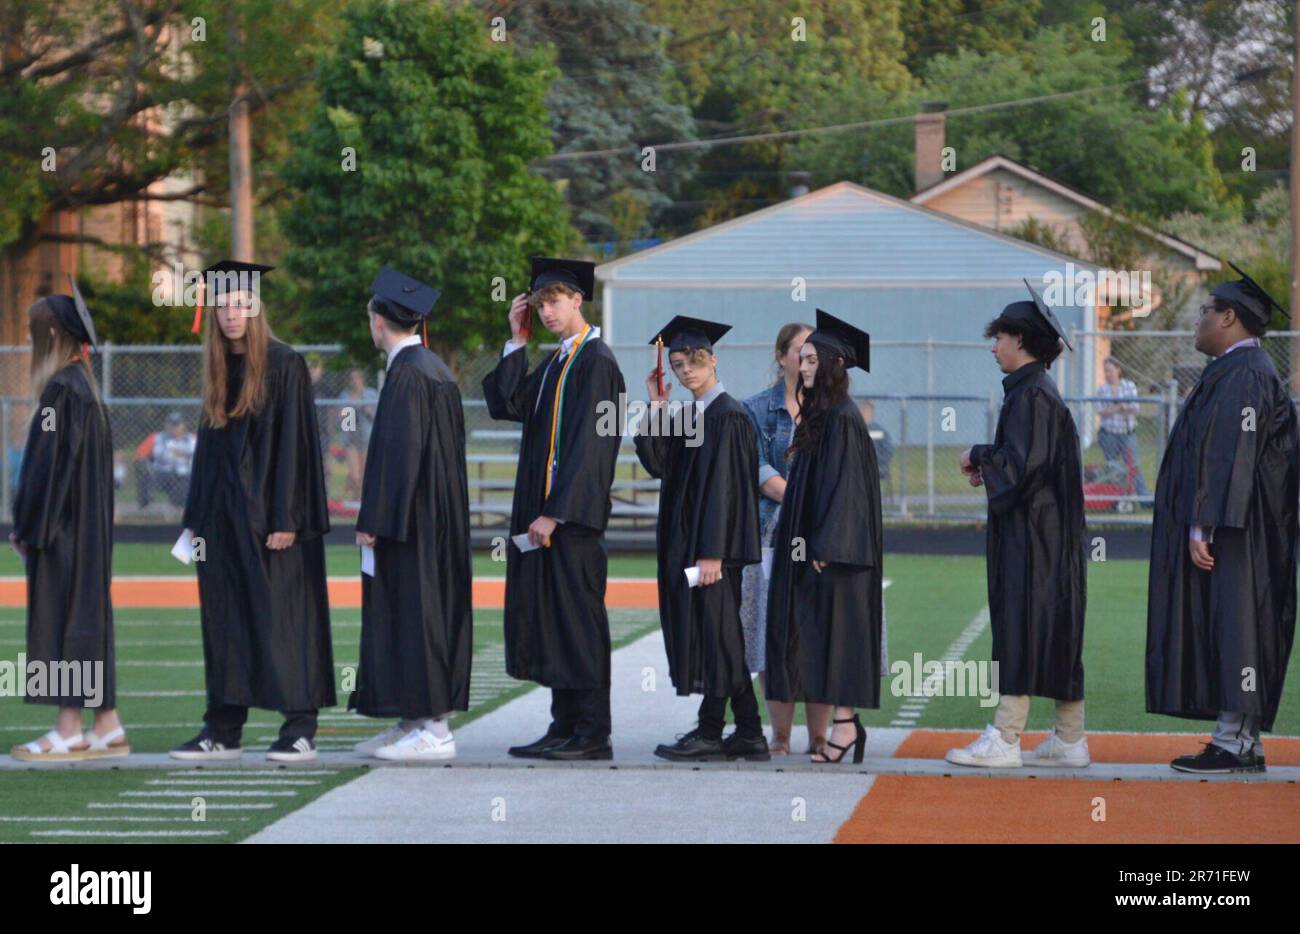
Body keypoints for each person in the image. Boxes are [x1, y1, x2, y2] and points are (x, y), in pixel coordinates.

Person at [171, 260, 335, 763]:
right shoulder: (220, 369)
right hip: (221, 524)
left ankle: (300, 726)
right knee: (225, 621)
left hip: (272, 522)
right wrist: (193, 523)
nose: (231, 313)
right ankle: (223, 727)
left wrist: (288, 517)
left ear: (256, 308)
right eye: (222, 305)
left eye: (241, 304)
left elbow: (296, 447)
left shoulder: (285, 365)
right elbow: (208, 456)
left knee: (286, 619)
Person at [1147, 264, 1299, 774]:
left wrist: (1203, 523)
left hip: (1240, 531)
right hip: (1245, 527)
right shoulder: (1243, 371)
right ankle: (1242, 740)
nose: (1198, 319)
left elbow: (1229, 456)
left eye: (1206, 310)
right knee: (1239, 623)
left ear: (1230, 317)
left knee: (1238, 624)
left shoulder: (1246, 375)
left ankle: (1233, 742)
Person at [482, 258, 625, 761]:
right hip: (546, 521)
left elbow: (592, 447)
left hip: (571, 524)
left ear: (577, 301)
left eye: (555, 300)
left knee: (579, 624)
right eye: (540, 302)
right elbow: (507, 404)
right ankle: (563, 724)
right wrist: (516, 342)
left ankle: (592, 732)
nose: (546, 310)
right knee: (555, 623)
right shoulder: (560, 361)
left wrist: (556, 512)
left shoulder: (597, 362)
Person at [951, 280, 1088, 769]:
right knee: (1056, 628)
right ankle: (1070, 738)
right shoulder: (1039, 393)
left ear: (1022, 341)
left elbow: (1021, 468)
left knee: (1022, 626)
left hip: (1032, 540)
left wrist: (978, 455)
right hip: (1053, 538)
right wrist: (991, 466)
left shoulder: (1031, 395)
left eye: (1001, 337)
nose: (994, 346)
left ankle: (1005, 737)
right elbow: (1026, 466)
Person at [350, 268, 473, 761]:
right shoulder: (434, 368)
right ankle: (414, 719)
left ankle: (435, 729)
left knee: (420, 616)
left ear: (379, 322)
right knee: (417, 615)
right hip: (433, 516)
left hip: (412, 522)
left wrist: (374, 520)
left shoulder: (407, 375)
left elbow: (400, 457)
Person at [633, 316, 766, 761]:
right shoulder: (693, 414)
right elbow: (658, 464)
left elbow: (725, 490)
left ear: (713, 360)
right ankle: (747, 732)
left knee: (718, 636)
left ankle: (714, 731)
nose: (685, 369)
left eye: (693, 360)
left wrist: (713, 553)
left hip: (711, 554)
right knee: (718, 636)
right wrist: (655, 404)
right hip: (692, 550)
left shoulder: (728, 416)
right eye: (677, 363)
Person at [10, 278, 128, 761]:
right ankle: (107, 724)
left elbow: (46, 469)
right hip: (89, 532)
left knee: (64, 622)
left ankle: (68, 728)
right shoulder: (86, 390)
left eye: (36, 332)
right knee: (89, 621)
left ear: (54, 336)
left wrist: (28, 527)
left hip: (63, 533)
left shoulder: (61, 392)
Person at [766, 309, 882, 764]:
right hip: (819, 551)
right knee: (820, 638)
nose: (806, 367)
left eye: (814, 360)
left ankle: (846, 724)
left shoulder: (843, 418)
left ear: (834, 364)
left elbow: (847, 488)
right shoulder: (824, 415)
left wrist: (829, 545)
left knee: (841, 637)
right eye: (804, 359)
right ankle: (844, 724)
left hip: (838, 554)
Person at [741, 323, 832, 756]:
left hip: (820, 542)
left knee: (817, 640)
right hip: (771, 538)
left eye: (815, 352)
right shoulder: (755, 410)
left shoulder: (833, 409)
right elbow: (759, 472)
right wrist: (807, 503)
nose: (808, 358)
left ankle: (819, 736)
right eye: (801, 350)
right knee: (774, 639)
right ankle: (779, 735)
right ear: (782, 357)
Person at [1094, 357, 1149, 501]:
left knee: (1133, 466)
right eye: (1105, 371)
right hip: (1108, 435)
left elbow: (1135, 407)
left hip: (1127, 434)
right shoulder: (1102, 390)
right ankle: (1116, 498)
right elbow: (1101, 411)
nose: (1107, 374)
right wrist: (1121, 407)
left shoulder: (1129, 386)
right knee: (1112, 467)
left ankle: (1144, 499)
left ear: (1118, 369)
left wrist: (1115, 408)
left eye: (1110, 370)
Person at [340, 368, 378, 500]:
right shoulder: (345, 395)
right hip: (351, 439)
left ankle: (359, 500)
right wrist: (351, 410)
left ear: (362, 379)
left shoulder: (371, 394)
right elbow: (345, 423)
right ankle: (356, 499)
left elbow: (378, 417)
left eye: (357, 378)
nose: (354, 381)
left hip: (367, 438)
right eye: (352, 378)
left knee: (364, 474)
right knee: (355, 474)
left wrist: (368, 411)